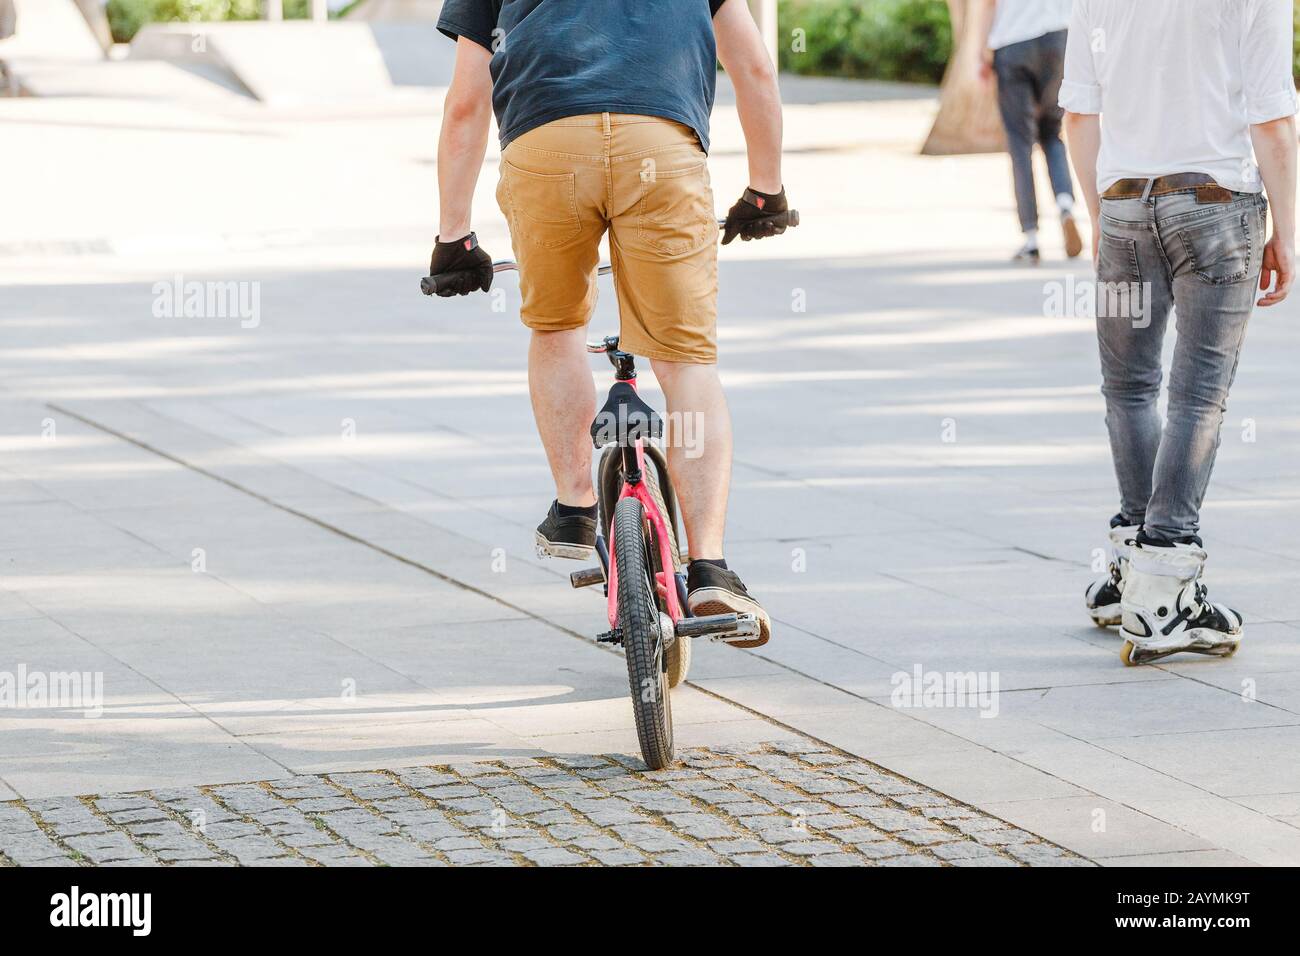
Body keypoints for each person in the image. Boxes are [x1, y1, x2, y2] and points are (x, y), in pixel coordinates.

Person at [426, 0, 797, 647]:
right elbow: (754, 69)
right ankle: (708, 568)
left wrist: (453, 238)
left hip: (547, 144)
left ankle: (574, 509)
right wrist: (766, 191)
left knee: (558, 328)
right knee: (685, 362)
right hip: (659, 141)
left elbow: (465, 104)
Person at [1063, 0, 1297, 664]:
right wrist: (1290, 234)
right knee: (1198, 397)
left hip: (1125, 203)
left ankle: (1133, 574)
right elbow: (1274, 121)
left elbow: (1079, 117)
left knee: (1129, 389)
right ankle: (1163, 588)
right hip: (1217, 206)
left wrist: (1104, 217)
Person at [975, 0, 1082, 262]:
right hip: (1057, 39)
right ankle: (1065, 203)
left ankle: (1031, 237)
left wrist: (981, 51)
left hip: (1013, 42)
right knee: (1052, 131)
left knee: (1020, 142)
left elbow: (989, 4)